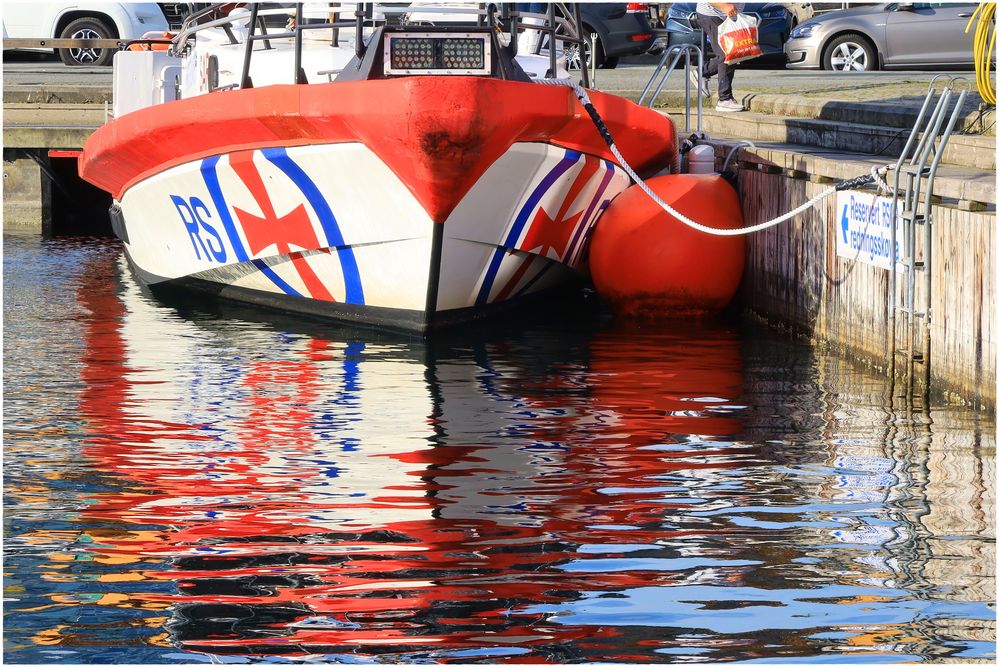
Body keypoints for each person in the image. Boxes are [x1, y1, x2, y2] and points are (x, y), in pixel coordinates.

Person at [692, 2, 746, 113]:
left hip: (728, 16)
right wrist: (725, 6)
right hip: (712, 14)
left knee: (733, 51)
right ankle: (724, 99)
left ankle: (702, 72)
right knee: (726, 52)